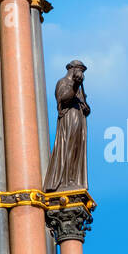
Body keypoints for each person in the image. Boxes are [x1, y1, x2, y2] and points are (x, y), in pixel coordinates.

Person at [44, 61, 91, 191]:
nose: (81, 73)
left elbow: (86, 108)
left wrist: (85, 105)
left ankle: (73, 178)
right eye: (80, 69)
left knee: (76, 150)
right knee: (68, 148)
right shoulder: (63, 82)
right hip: (69, 119)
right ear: (72, 69)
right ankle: (64, 180)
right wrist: (75, 86)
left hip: (79, 120)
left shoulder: (79, 88)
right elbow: (63, 98)